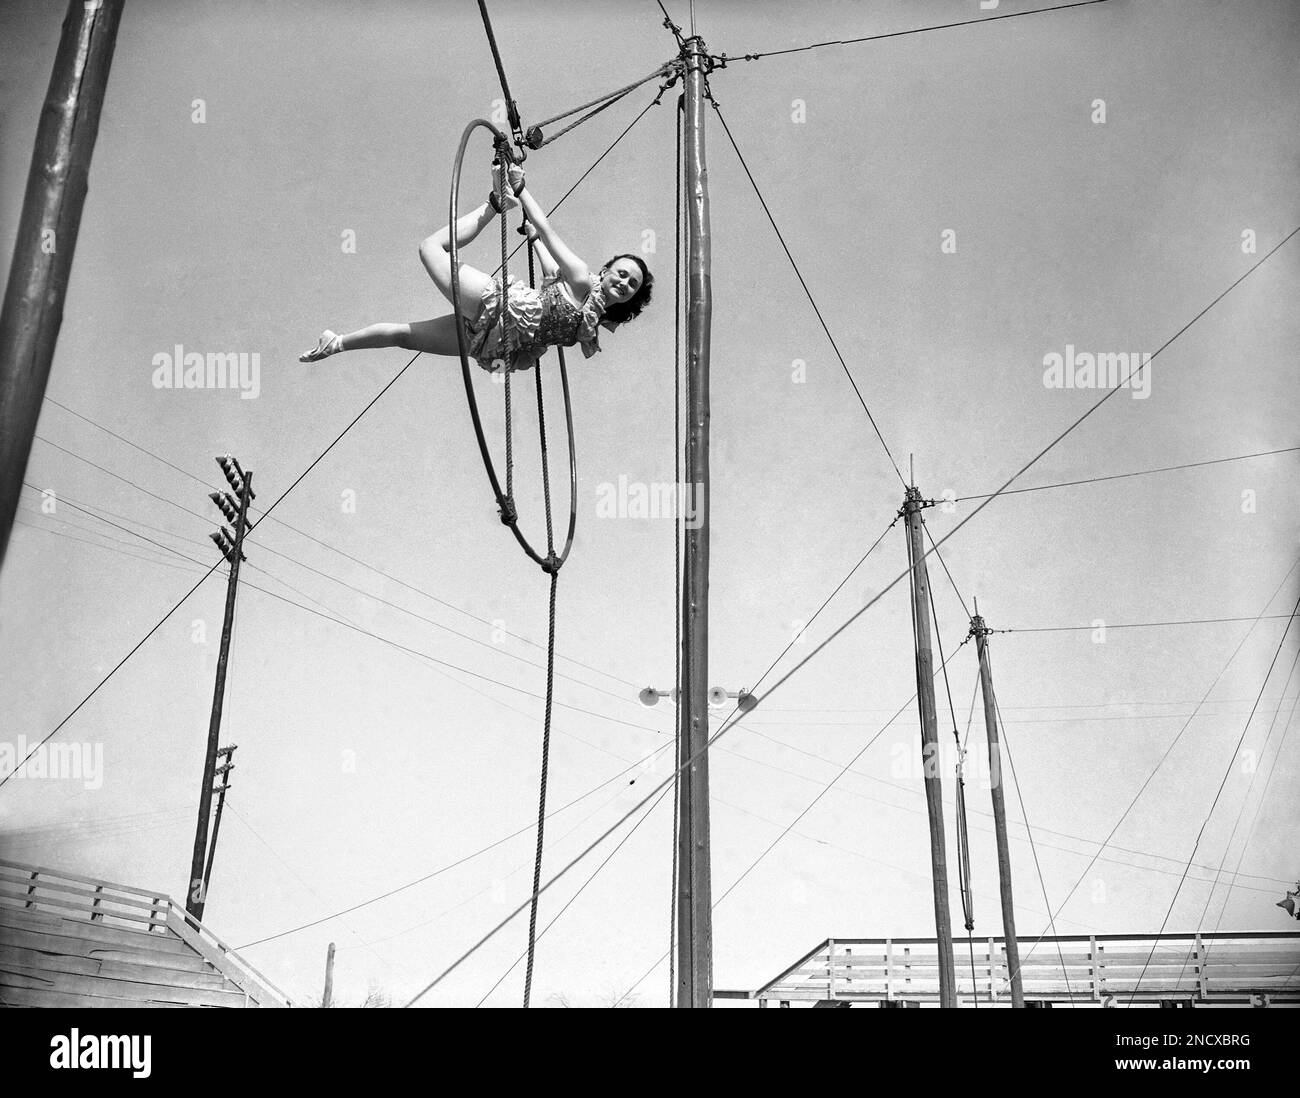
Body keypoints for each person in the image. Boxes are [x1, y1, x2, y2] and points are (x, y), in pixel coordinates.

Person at [300, 163, 653, 372]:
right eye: (622, 273)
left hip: (493, 341)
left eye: (631, 285)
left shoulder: (591, 324)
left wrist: (533, 240)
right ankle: (495, 205)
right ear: (605, 271)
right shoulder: (581, 279)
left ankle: (336, 344)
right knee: (430, 248)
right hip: (500, 311)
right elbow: (548, 229)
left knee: (405, 338)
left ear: (630, 299)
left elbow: (548, 272)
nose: (624, 282)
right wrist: (521, 189)